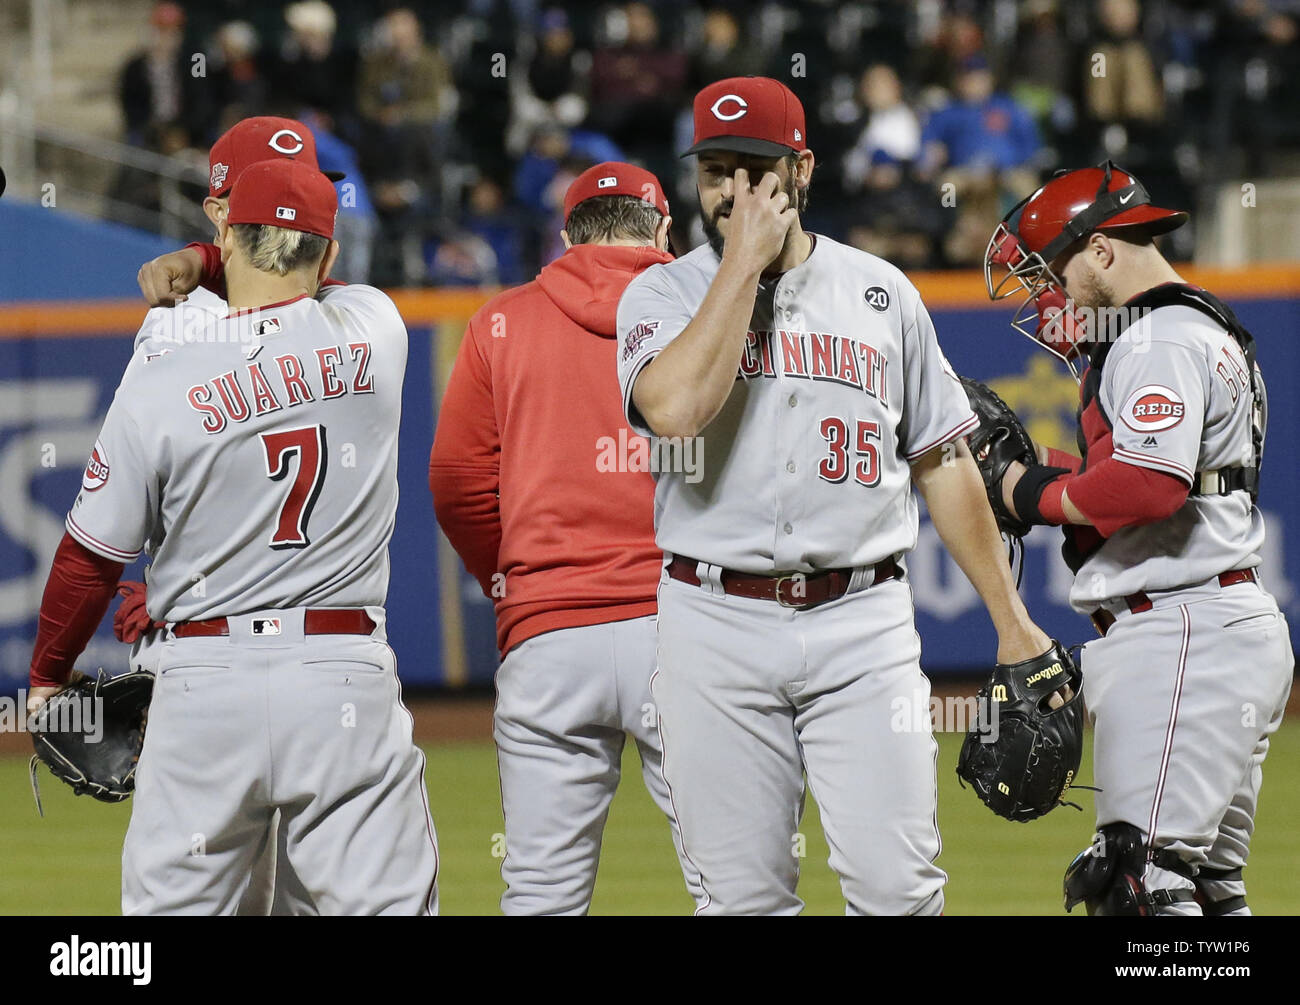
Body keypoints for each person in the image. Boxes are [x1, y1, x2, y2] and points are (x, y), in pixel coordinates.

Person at [615, 76, 1060, 915]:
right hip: (714, 623)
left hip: (863, 624)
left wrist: (1011, 619)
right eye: (716, 171)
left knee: (899, 891)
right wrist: (741, 266)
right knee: (743, 900)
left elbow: (945, 462)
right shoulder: (660, 293)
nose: (735, 193)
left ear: (804, 168)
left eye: (758, 170)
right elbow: (673, 411)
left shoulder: (882, 292)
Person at [26, 158, 438, 915]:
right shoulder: (376, 328)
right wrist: (215, 255)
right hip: (342, 678)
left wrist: (49, 677)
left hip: (202, 686)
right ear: (332, 254)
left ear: (228, 235)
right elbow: (304, 274)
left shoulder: (160, 377)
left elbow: (89, 561)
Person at [988, 161, 1294, 916]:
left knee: (1139, 884)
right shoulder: (1197, 325)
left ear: (1100, 249)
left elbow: (1150, 486)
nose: (1046, 292)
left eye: (1050, 268)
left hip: (1185, 632)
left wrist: (1028, 490)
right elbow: (1146, 479)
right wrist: (1052, 479)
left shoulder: (1156, 336)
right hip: (1215, 625)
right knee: (1205, 890)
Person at [430, 162, 702, 915]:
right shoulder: (709, 310)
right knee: (734, 883)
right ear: (663, 228)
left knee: (542, 893)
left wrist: (512, 581)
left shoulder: (500, 321)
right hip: (683, 625)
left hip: (547, 634)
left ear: (566, 235)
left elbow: (456, 482)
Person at [128, 114, 346, 916]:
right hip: (321, 670)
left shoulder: (174, 324)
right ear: (219, 206)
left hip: (214, 671)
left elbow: (118, 511)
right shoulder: (356, 322)